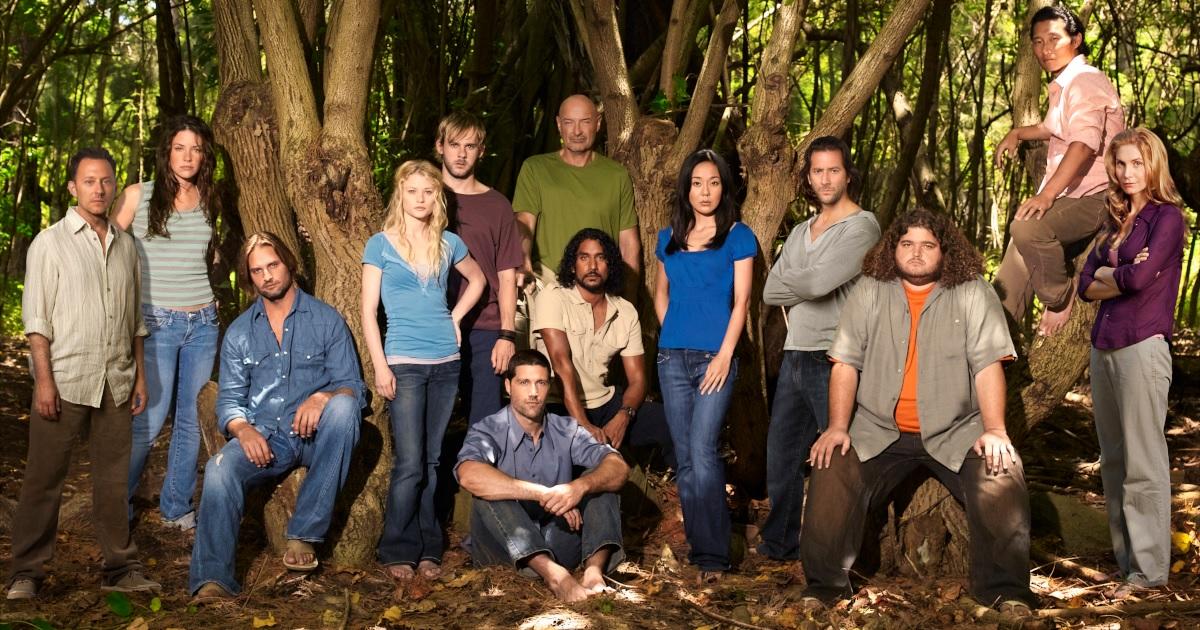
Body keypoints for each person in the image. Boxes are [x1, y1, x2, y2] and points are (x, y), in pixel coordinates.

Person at [800, 209, 1037, 614]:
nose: (915, 253)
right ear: (893, 248)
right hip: (878, 428)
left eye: (927, 245)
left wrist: (995, 429)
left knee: (1002, 472)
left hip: (956, 430)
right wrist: (838, 427)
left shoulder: (973, 291)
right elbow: (845, 363)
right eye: (906, 244)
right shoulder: (870, 290)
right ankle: (823, 590)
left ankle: (1006, 593)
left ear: (945, 252)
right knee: (830, 463)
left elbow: (987, 366)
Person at [7, 148, 161, 599]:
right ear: (73, 187)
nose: (99, 188)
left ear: (114, 187)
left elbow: (134, 317)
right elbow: (37, 321)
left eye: (106, 181)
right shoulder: (49, 243)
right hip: (66, 380)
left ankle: (120, 567)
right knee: (43, 478)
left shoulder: (126, 244)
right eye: (90, 181)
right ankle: (27, 572)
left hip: (115, 379)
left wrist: (139, 376)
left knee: (113, 481)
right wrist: (44, 382)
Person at [189, 233, 365, 602]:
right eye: (257, 271)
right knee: (221, 468)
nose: (267, 276)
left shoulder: (325, 319)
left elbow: (353, 385)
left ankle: (303, 533)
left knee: (346, 407)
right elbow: (230, 402)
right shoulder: (239, 332)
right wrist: (242, 429)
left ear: (289, 264)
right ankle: (213, 578)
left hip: (320, 437)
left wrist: (322, 396)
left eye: (273, 265)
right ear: (249, 277)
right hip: (269, 438)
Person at [757, 136, 881, 561]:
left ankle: (836, 553)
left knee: (837, 460)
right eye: (817, 171)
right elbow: (771, 290)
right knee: (782, 458)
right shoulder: (799, 230)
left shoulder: (863, 227)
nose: (825, 179)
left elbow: (813, 284)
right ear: (807, 177)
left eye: (833, 170)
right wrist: (801, 278)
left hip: (835, 357)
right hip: (794, 353)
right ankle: (780, 545)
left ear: (848, 174)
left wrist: (800, 277)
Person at [362, 160, 485, 581]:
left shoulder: (448, 242)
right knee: (409, 463)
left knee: (433, 462)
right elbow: (367, 312)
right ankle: (398, 548)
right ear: (400, 193)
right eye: (413, 191)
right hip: (404, 363)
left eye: (428, 192)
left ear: (438, 197)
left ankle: (430, 547)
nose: (420, 199)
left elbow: (479, 280)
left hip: (446, 363)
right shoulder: (379, 244)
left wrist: (456, 317)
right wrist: (381, 366)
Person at [1077, 128, 1186, 597]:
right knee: (1115, 463)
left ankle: (1148, 574)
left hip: (1143, 346)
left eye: (1136, 164)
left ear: (1153, 165)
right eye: (1120, 164)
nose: (1127, 173)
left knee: (1144, 463)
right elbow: (1085, 284)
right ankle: (1127, 567)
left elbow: (1141, 279)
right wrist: (1112, 273)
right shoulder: (1114, 222)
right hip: (1104, 346)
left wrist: (1113, 273)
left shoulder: (1168, 218)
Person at [113, 115, 220, 530]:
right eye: (180, 147)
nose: (188, 156)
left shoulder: (212, 199)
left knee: (192, 420)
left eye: (195, 148)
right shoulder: (139, 196)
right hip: (156, 323)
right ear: (167, 152)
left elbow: (209, 256)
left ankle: (176, 507)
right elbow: (103, 246)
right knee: (150, 418)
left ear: (204, 155)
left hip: (203, 323)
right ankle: (116, 505)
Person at [654, 149, 756, 582]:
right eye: (697, 183)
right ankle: (701, 551)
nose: (705, 191)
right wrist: (673, 331)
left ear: (724, 187)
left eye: (714, 182)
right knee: (686, 458)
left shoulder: (737, 235)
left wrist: (725, 354)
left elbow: (742, 302)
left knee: (704, 450)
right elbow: (660, 294)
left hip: (716, 359)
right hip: (671, 358)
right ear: (686, 187)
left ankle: (714, 558)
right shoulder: (669, 237)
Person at [455, 350, 629, 603]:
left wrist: (578, 488)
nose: (534, 392)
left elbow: (618, 467)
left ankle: (593, 573)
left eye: (541, 382)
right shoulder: (489, 429)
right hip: (502, 550)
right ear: (508, 386)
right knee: (489, 491)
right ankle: (556, 577)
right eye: (524, 382)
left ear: (549, 386)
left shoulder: (565, 428)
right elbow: (468, 475)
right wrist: (543, 493)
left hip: (557, 542)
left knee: (602, 478)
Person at [993, 4, 1125, 336]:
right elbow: (1056, 128)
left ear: (1076, 39)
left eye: (1054, 38)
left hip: (1096, 197)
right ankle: (993, 355)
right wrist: (1018, 133)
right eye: (1038, 42)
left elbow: (1083, 144)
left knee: (1026, 229)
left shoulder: (1085, 81)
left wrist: (1047, 195)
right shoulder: (1066, 84)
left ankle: (1059, 298)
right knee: (1002, 295)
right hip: (1070, 195)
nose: (1045, 49)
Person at [533, 228, 675, 468]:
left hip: (605, 403)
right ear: (572, 266)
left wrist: (624, 415)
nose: (592, 265)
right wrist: (583, 424)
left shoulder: (625, 311)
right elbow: (561, 363)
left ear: (610, 266)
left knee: (672, 423)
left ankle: (689, 496)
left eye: (601, 257)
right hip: (558, 405)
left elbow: (638, 379)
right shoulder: (553, 297)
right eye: (584, 257)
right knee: (569, 464)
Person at [436, 112, 524, 425]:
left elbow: (507, 275)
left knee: (484, 424)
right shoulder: (423, 198)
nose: (461, 153)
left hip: (486, 328)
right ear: (440, 147)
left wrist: (507, 334)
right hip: (432, 325)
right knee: (433, 424)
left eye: (470, 146)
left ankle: (478, 474)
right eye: (454, 144)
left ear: (481, 151)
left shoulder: (497, 204)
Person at [513, 94, 640, 294]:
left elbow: (628, 243)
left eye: (585, 122)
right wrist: (523, 261)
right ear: (558, 124)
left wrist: (629, 302)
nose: (577, 131)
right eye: (569, 122)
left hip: (599, 287)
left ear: (598, 123)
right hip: (548, 283)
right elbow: (524, 223)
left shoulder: (617, 175)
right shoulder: (535, 168)